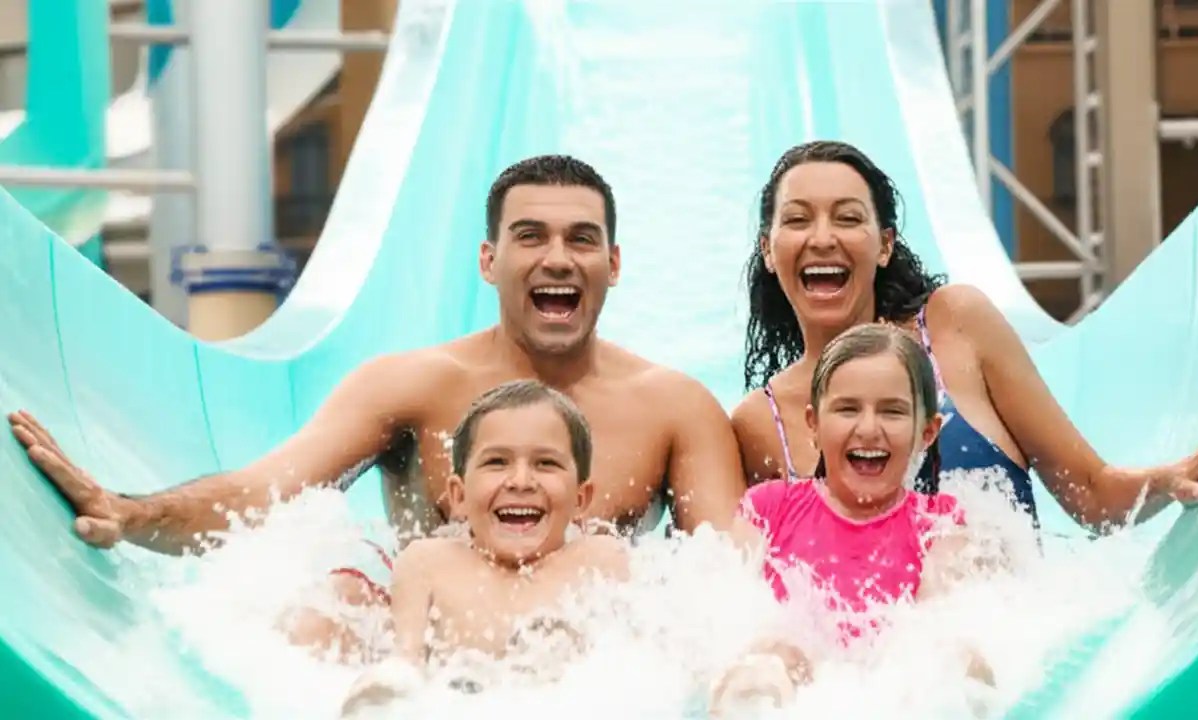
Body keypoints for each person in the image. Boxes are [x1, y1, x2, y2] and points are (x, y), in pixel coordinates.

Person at [7, 154, 745, 658]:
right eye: (531, 236)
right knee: (320, 613)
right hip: (422, 651)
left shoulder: (673, 408)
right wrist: (132, 514)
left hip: (580, 661)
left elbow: (725, 586)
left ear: (612, 265)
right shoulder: (413, 387)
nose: (558, 257)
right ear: (490, 260)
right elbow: (265, 498)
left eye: (582, 239)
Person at [731, 139, 1198, 533]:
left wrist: (1167, 479)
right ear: (770, 250)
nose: (822, 238)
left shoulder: (957, 326)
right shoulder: (761, 422)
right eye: (798, 220)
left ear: (885, 244)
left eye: (847, 218)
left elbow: (1093, 495)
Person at [711, 325, 999, 716]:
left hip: (889, 686)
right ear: (813, 424)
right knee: (770, 656)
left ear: (927, 432)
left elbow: (937, 618)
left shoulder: (940, 522)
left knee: (957, 659)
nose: (868, 429)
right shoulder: (768, 509)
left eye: (892, 411)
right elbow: (723, 604)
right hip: (796, 686)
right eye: (848, 409)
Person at [340, 380, 630, 716]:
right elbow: (406, 658)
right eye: (496, 462)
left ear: (581, 499)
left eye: (546, 464)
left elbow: (644, 659)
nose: (521, 481)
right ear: (459, 495)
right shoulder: (429, 562)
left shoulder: (600, 560)